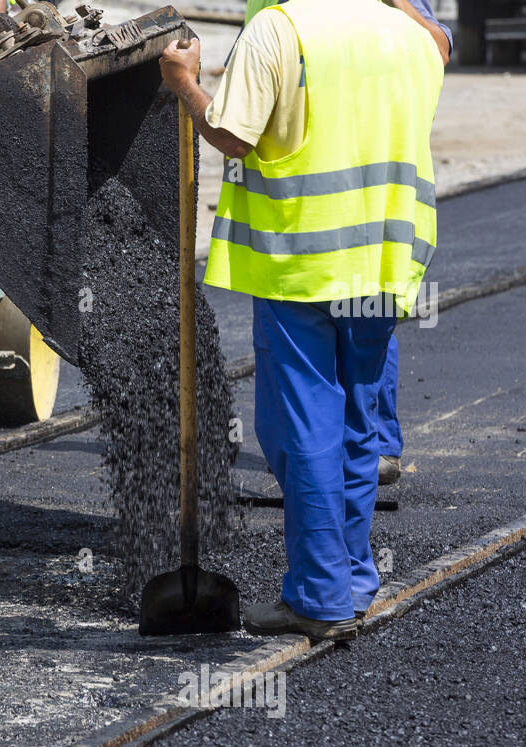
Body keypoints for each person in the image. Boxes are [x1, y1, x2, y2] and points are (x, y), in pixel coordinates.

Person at [159, 0, 446, 640]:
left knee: (304, 426)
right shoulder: (416, 36)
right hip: (384, 261)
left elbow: (234, 135)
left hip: (303, 262)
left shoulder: (279, 29)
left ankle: (320, 598)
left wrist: (183, 83)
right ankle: (353, 579)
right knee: (357, 421)